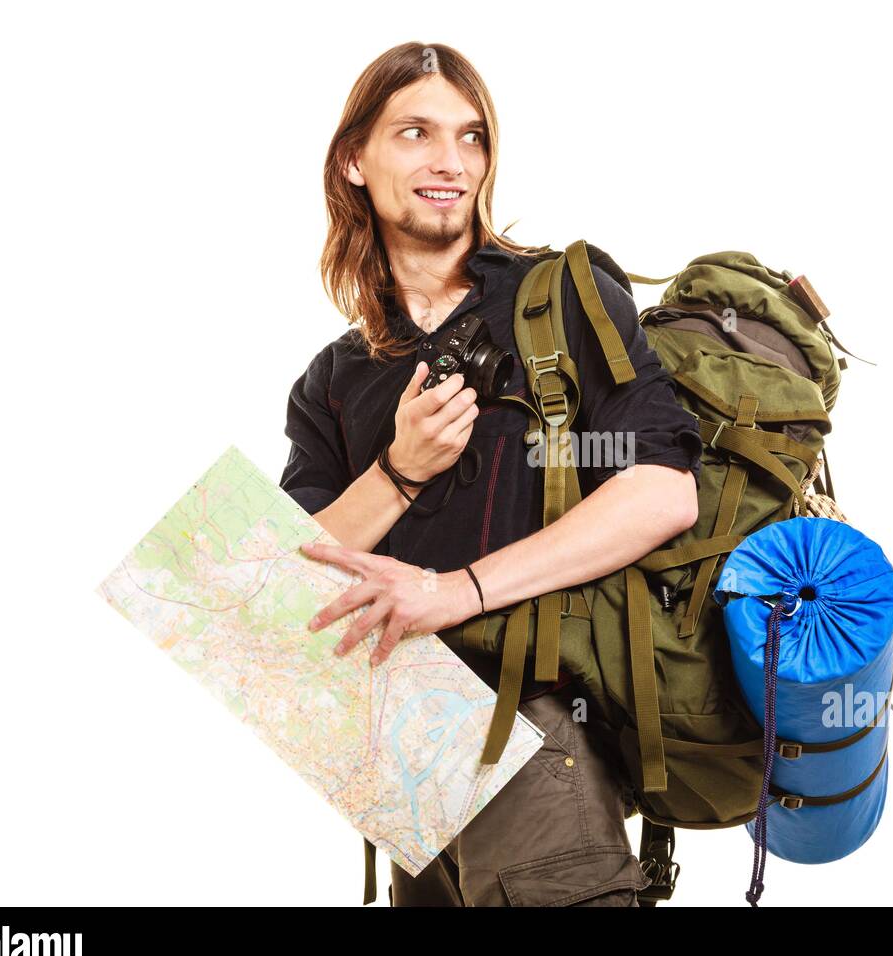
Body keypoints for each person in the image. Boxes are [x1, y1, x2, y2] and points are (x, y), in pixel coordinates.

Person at [278, 42, 703, 906]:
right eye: (417, 133)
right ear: (354, 161)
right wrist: (399, 473)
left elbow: (663, 487)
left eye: (471, 138)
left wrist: (455, 589)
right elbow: (282, 581)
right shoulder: (333, 377)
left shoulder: (561, 297)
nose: (451, 162)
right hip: (405, 765)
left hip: (538, 739)